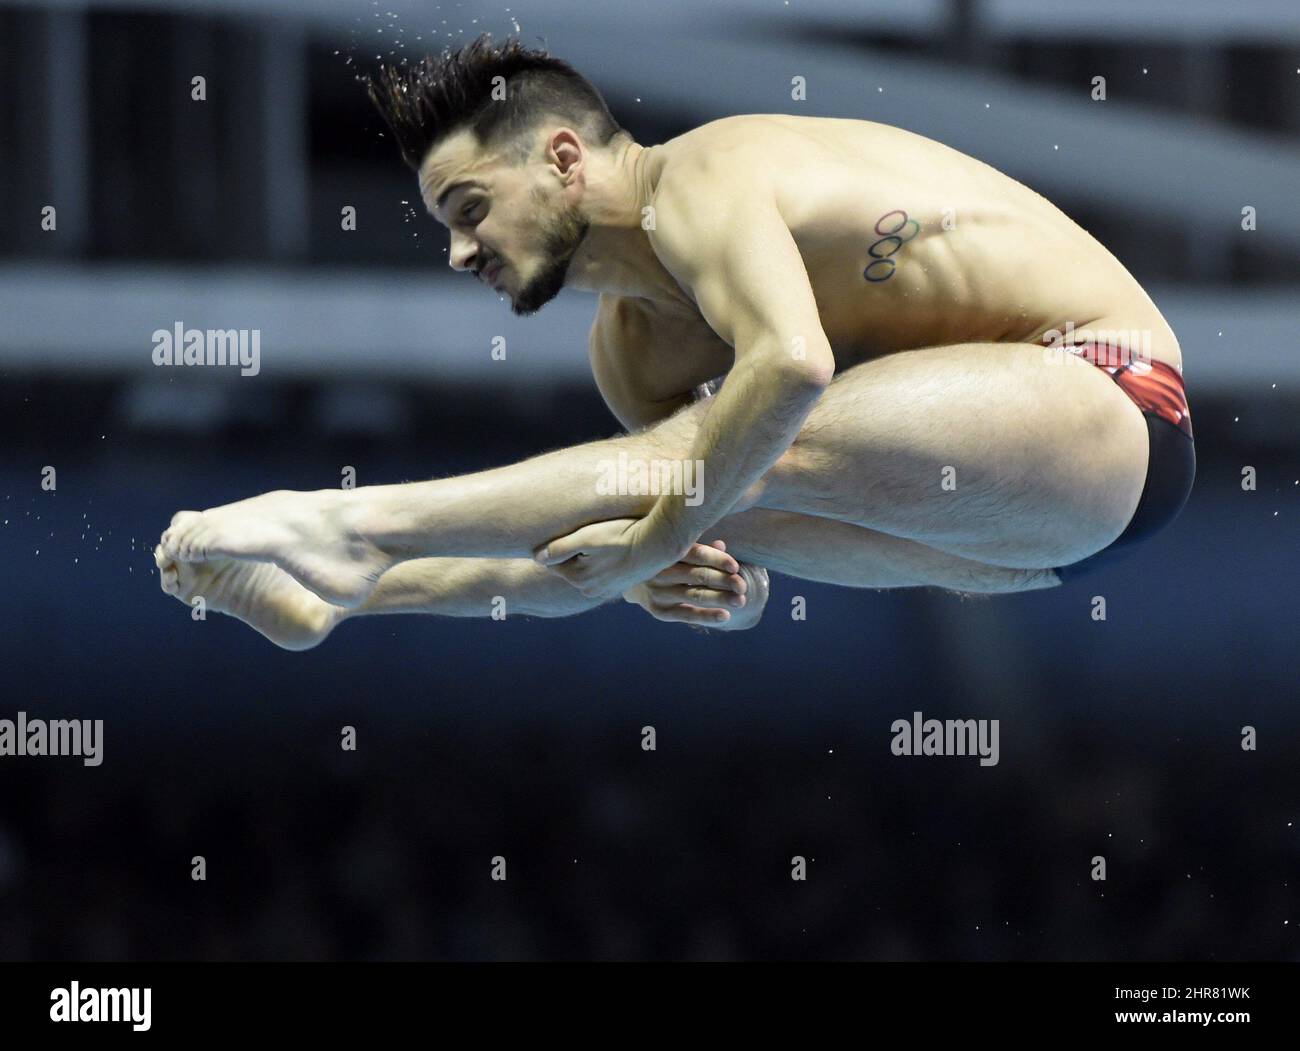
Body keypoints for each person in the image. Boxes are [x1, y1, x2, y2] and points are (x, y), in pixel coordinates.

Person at [155, 35, 1194, 647]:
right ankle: (354, 595)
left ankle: (344, 527)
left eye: (469, 207)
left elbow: (792, 365)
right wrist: (707, 585)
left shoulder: (702, 178)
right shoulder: (629, 357)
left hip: (1108, 401)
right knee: (662, 496)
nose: (459, 252)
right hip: (1003, 556)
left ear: (563, 158)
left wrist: (656, 534)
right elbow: (659, 547)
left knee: (717, 449)